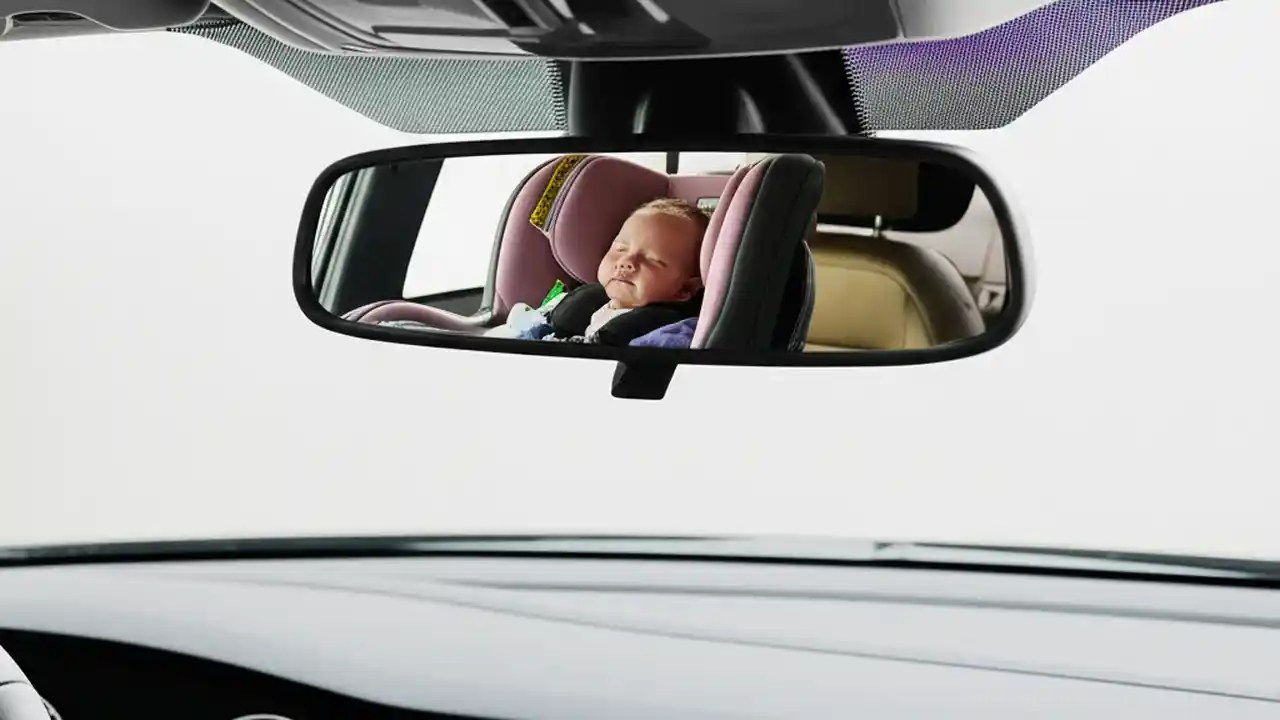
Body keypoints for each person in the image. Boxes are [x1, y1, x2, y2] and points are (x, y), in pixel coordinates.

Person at [486, 197, 708, 346]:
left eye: (653, 260)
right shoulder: (574, 301)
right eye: (620, 248)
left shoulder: (668, 332)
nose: (626, 261)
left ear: (685, 289)